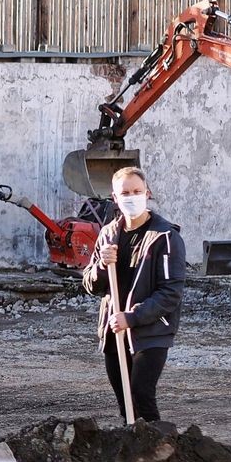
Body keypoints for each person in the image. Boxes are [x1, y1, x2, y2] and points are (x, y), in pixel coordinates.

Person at [82, 167, 185, 423]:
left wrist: (133, 317)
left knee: (140, 394)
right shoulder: (108, 234)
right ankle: (133, 450)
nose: (132, 197)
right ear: (115, 198)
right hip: (114, 330)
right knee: (125, 402)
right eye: (125, 192)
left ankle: (161, 450)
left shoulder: (165, 237)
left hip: (151, 332)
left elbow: (170, 293)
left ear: (147, 193)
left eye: (137, 191)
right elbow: (90, 285)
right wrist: (102, 266)